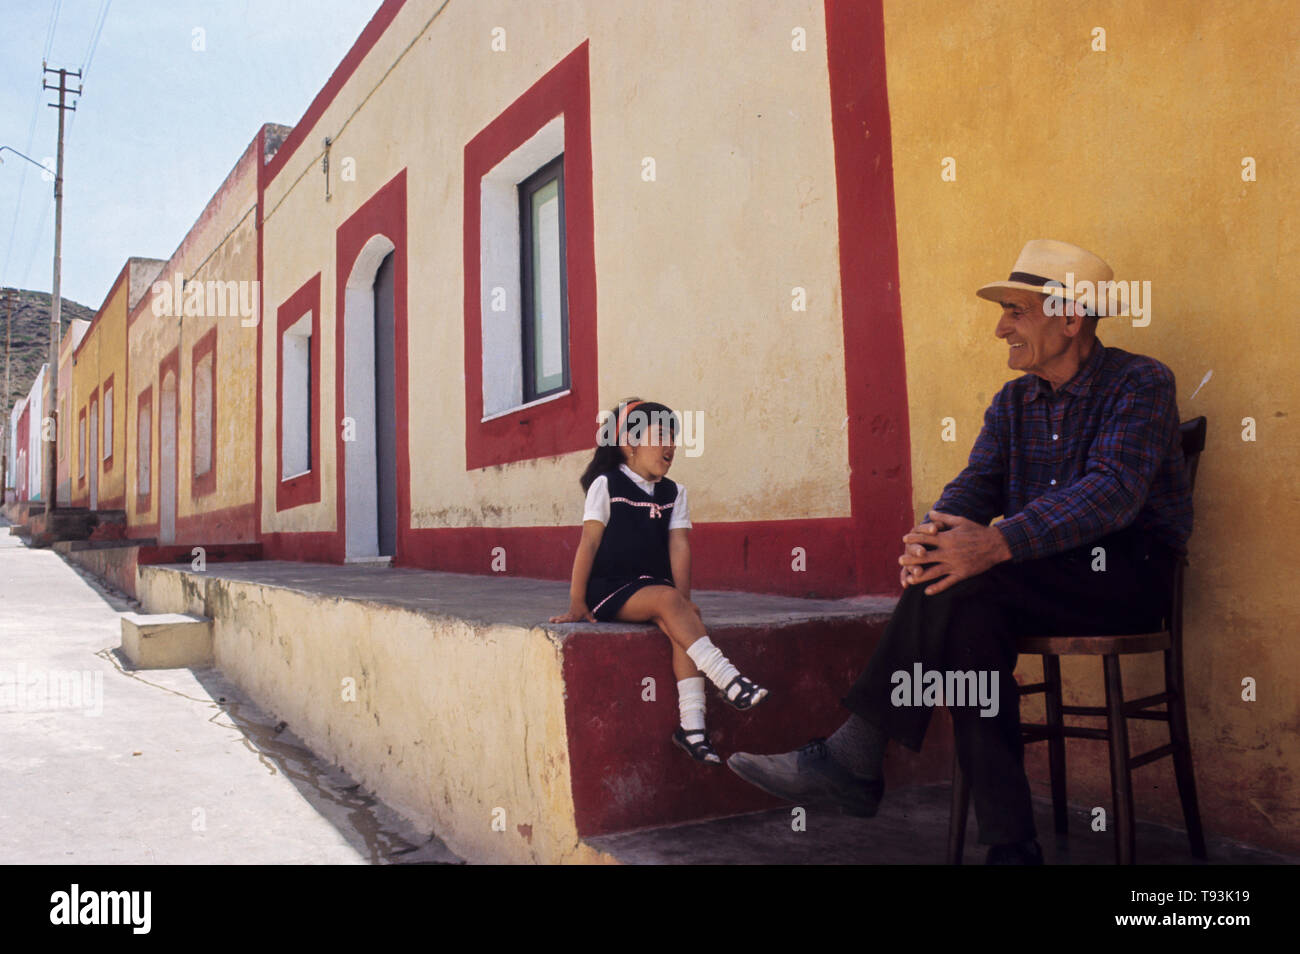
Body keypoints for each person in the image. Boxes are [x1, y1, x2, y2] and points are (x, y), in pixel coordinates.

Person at [727, 240, 1193, 863]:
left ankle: (856, 757)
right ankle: (1010, 847)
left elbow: (1111, 494)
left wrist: (996, 542)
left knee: (968, 583)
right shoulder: (1012, 403)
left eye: (1016, 311)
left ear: (1071, 318)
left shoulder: (1141, 382)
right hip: (1034, 580)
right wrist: (929, 542)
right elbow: (973, 488)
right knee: (961, 606)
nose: (1000, 327)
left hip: (1126, 578)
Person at [550, 397, 769, 765]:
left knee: (682, 621)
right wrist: (577, 601)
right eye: (660, 436)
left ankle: (693, 727)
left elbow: (679, 545)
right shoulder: (607, 484)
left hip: (653, 588)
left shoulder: (674, 492)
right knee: (669, 603)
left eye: (674, 437)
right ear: (628, 444)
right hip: (611, 588)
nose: (670, 445)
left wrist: (682, 602)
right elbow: (588, 541)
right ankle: (728, 678)